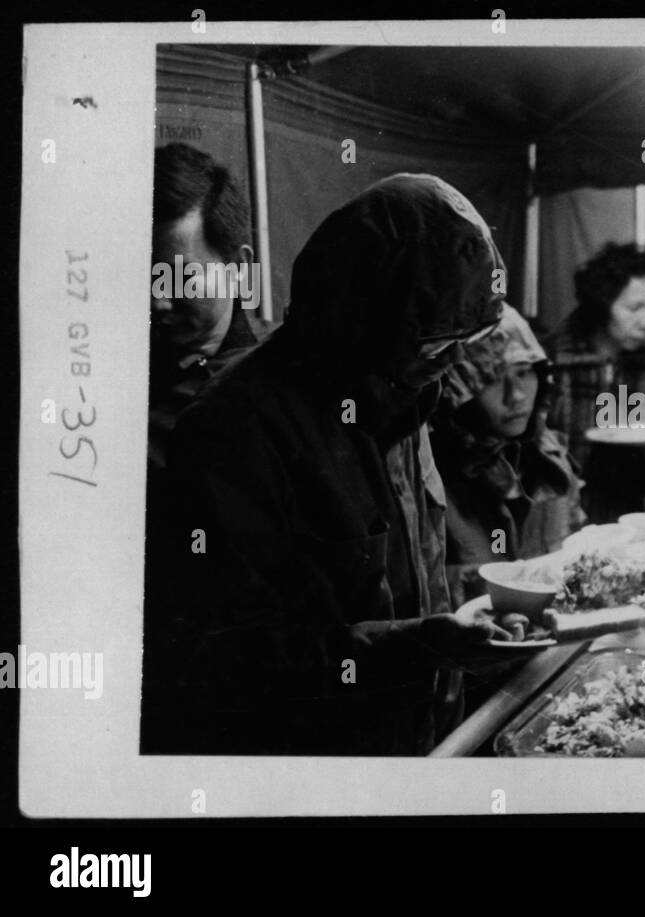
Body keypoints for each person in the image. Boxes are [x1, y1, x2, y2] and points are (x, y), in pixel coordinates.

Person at [142, 174, 528, 756]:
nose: (449, 363)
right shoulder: (236, 431)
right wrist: (418, 645)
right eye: (432, 343)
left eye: (465, 339)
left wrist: (472, 607)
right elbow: (225, 657)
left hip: (420, 743)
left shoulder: (403, 393)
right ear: (366, 324)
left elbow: (398, 573)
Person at [432, 303, 585, 611]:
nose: (515, 395)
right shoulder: (435, 479)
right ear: (461, 389)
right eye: (491, 379)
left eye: (524, 372)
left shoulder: (551, 459)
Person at [544, 242, 645, 522]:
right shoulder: (551, 360)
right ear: (602, 303)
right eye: (634, 308)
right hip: (553, 512)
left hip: (621, 517)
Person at [148, 143, 261, 470]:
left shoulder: (270, 393)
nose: (159, 301)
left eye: (183, 277)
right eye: (146, 276)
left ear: (239, 269)